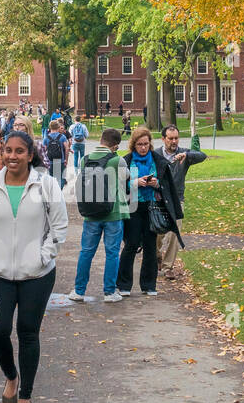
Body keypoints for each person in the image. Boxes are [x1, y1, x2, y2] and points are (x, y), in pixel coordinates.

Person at [0, 131, 69, 403]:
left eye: (19, 151)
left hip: (37, 275)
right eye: (7, 151)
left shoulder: (46, 184)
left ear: (30, 155)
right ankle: (11, 377)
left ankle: (26, 394)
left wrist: (43, 256)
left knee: (28, 332)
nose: (12, 156)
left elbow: (59, 225)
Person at [70, 126, 129, 304]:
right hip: (113, 212)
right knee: (112, 253)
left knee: (86, 252)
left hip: (91, 213)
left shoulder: (85, 160)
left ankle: (79, 291)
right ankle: (109, 292)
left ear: (101, 140)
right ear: (115, 145)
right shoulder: (117, 160)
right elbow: (125, 177)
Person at [117, 126, 179, 298]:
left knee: (150, 247)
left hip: (152, 207)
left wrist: (156, 183)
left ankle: (149, 285)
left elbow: (166, 186)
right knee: (131, 244)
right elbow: (120, 186)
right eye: (139, 144)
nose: (143, 147)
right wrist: (136, 182)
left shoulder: (157, 160)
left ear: (150, 144)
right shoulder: (127, 161)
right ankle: (123, 284)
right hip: (133, 207)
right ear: (133, 145)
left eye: (146, 144)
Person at [155, 123, 205, 275]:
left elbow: (202, 156)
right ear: (163, 139)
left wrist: (188, 155)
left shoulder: (184, 154)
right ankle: (156, 257)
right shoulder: (155, 155)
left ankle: (167, 267)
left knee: (174, 234)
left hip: (177, 200)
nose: (174, 141)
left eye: (176, 138)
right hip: (158, 200)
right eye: (170, 138)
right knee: (156, 234)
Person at [43, 118, 70, 189]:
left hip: (50, 161)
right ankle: (59, 192)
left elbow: (43, 151)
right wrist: (66, 159)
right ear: (58, 127)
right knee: (61, 178)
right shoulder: (62, 137)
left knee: (51, 178)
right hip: (60, 160)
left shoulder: (46, 138)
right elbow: (67, 148)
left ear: (50, 127)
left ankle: (52, 192)